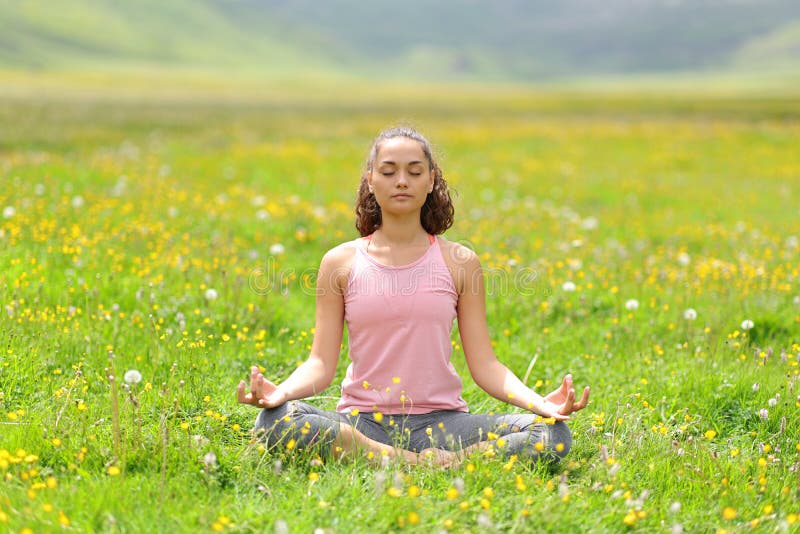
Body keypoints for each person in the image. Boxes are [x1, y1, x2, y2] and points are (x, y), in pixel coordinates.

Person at [237, 126, 590, 466]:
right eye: (389, 171)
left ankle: (452, 460)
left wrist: (539, 403)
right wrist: (281, 393)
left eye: (415, 171)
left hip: (443, 425)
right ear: (370, 180)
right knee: (273, 421)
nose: (402, 181)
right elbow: (320, 365)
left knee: (553, 434)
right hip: (364, 422)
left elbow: (486, 366)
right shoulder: (339, 262)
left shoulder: (460, 262)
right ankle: (402, 460)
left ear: (431, 180)